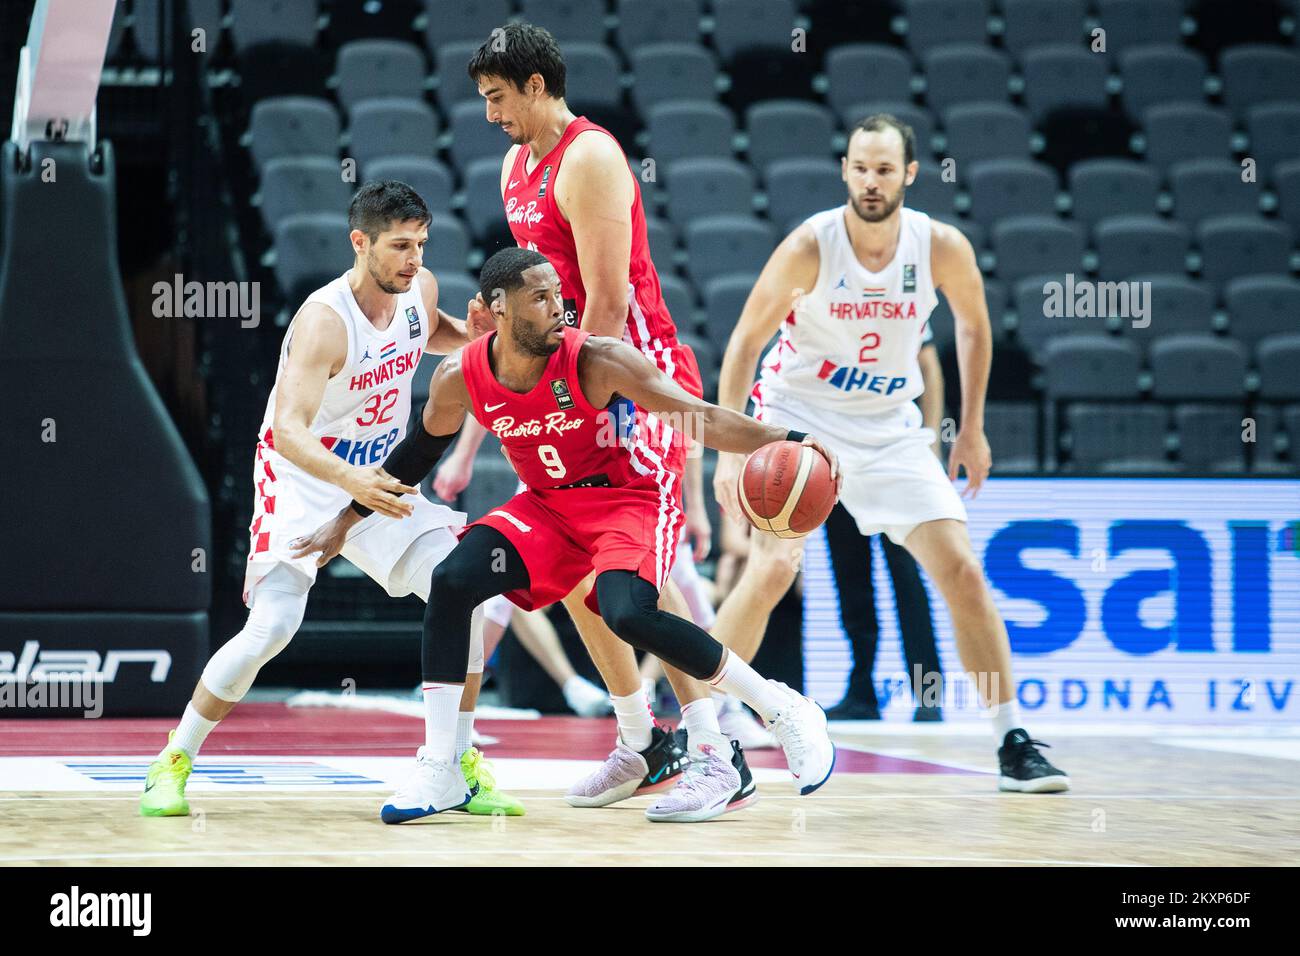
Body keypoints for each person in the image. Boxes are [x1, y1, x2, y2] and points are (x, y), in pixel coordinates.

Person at [294, 248, 840, 823]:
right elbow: (417, 455)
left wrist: (789, 436)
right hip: (549, 509)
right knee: (453, 580)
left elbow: (698, 415)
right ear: (498, 308)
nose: (559, 307)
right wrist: (345, 521)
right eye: (541, 296)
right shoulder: (461, 375)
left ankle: (782, 711)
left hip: (626, 499)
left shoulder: (599, 359)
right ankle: (443, 767)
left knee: (625, 610)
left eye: (559, 294)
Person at [707, 114, 1070, 793]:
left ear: (908, 174)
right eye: (859, 168)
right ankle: (706, 731)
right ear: (844, 170)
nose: (870, 181)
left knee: (961, 568)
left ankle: (1013, 740)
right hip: (800, 417)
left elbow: (974, 328)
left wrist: (971, 429)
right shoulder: (810, 245)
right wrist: (730, 451)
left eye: (884, 169)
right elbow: (744, 343)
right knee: (773, 567)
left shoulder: (940, 247)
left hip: (890, 428)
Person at [139, 181, 525, 818]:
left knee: (464, 589)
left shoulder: (418, 291)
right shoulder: (323, 320)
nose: (414, 258)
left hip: (378, 474)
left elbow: (429, 335)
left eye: (421, 245)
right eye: (400, 245)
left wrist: (474, 336)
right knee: (273, 626)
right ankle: (175, 757)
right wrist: (350, 488)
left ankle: (457, 764)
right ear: (360, 242)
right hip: (303, 477)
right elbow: (288, 430)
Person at [462, 22, 768, 793]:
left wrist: (571, 396)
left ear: (537, 85)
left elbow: (608, 297)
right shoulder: (513, 160)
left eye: (499, 98)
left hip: (626, 373)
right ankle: (641, 740)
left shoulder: (590, 156)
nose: (491, 114)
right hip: (574, 372)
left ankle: (715, 748)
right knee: (568, 563)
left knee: (640, 570)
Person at [824, 336, 945, 722]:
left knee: (907, 578)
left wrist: (933, 440)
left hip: (893, 454)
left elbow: (929, 364)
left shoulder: (894, 295)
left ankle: (928, 695)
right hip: (838, 456)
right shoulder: (817, 303)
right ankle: (861, 691)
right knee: (851, 580)